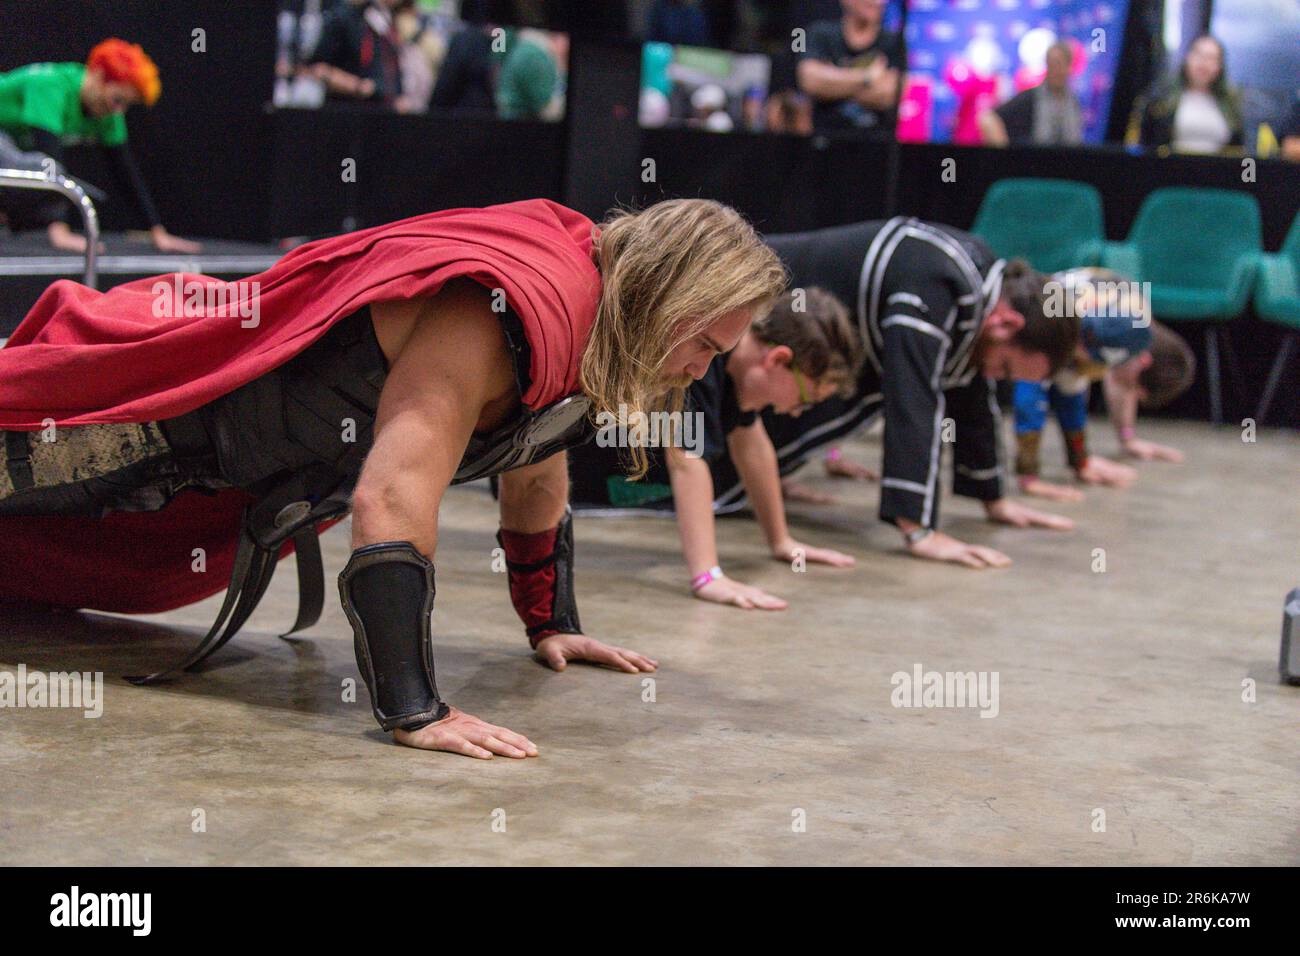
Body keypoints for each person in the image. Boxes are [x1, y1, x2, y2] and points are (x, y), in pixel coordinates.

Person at [0, 198, 787, 759]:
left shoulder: (588, 317)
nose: (700, 369)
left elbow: (536, 457)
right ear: (668, 298)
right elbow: (391, 494)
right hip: (157, 416)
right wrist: (415, 709)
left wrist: (551, 621)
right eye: (705, 344)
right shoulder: (500, 311)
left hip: (221, 470)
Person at [709, 217, 1080, 569]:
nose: (996, 376)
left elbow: (969, 389)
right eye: (1006, 368)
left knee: (757, 425)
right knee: (701, 443)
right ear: (1006, 323)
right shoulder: (940, 281)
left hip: (794, 345)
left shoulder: (979, 289)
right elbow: (912, 398)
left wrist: (993, 498)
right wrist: (918, 528)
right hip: (734, 302)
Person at [570, 287, 863, 610]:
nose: (796, 411)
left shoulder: (736, 367)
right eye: (806, 400)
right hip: (564, 463)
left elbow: (752, 444)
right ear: (777, 358)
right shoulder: (700, 362)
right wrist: (708, 576)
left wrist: (781, 540)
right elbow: (687, 459)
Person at [0, 39, 199, 254]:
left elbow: (125, 173)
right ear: (96, 75)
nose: (118, 111)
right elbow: (49, 164)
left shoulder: (109, 112)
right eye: (118, 99)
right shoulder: (50, 85)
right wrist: (59, 231)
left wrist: (156, 231)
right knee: (33, 167)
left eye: (126, 105)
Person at [1012, 269, 1193, 502]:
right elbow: (1031, 394)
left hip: (1066, 317)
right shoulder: (1103, 324)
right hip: (1040, 316)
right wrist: (1030, 477)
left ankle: (1076, 461)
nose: (1130, 394)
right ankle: (1029, 472)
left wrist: (1115, 444)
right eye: (1135, 389)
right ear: (1143, 361)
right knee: (1039, 380)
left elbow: (1083, 388)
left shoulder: (1129, 330)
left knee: (1071, 385)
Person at [796, 0, 905, 136]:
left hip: (878, 143)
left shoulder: (894, 42)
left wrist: (831, 83)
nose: (878, 2)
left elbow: (889, 94)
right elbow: (809, 81)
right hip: (825, 141)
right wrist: (868, 77)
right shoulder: (820, 33)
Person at [1128, 34, 1243, 156]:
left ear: (1220, 66)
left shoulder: (1231, 104)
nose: (1204, 63)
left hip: (1217, 171)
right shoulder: (1162, 97)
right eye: (1199, 55)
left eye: (1211, 58)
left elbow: (1238, 147)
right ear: (1187, 57)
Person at [978, 41, 1083, 147]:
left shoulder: (1073, 102)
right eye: (1050, 64)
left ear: (1069, 67)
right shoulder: (1030, 98)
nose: (1054, 70)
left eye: (1058, 64)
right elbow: (988, 118)